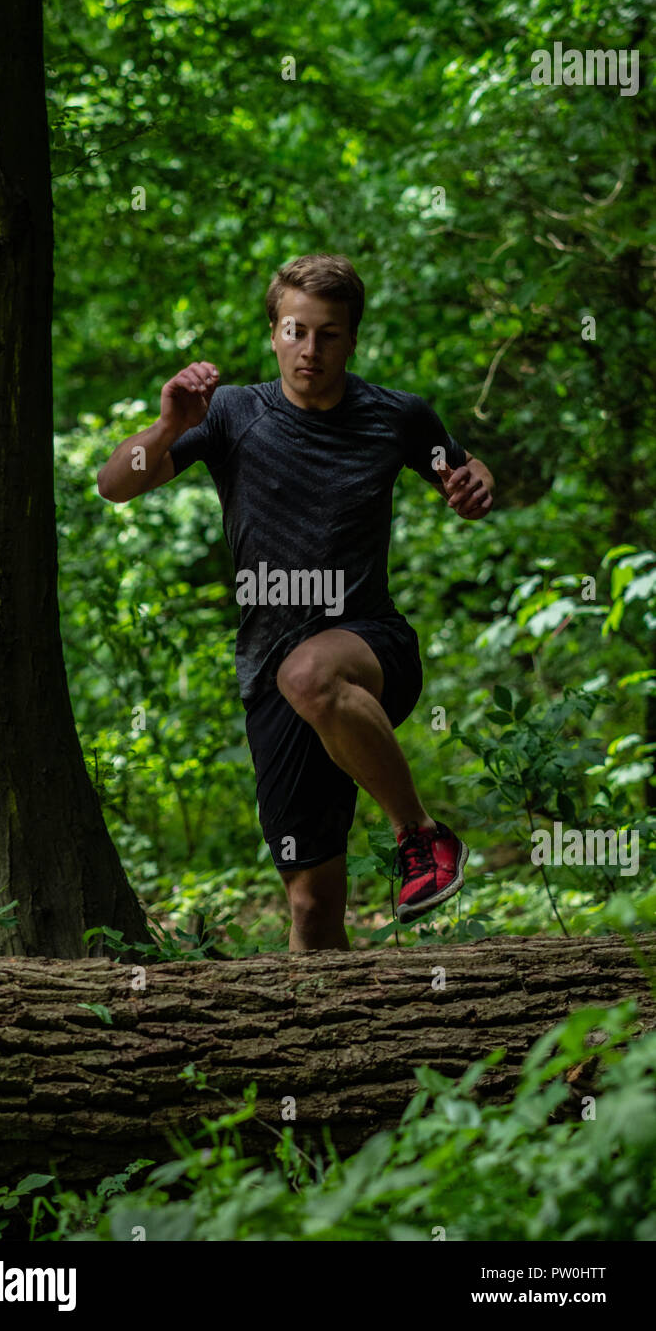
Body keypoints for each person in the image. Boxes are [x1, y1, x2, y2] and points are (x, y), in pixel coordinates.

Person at [98, 253, 495, 953]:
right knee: (311, 907)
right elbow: (114, 484)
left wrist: (473, 480)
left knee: (310, 673)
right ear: (274, 332)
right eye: (295, 330)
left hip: (369, 646)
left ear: (351, 338)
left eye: (328, 334)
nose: (310, 350)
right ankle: (336, 1046)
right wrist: (166, 427)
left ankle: (421, 837)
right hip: (269, 669)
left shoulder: (396, 416)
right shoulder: (229, 413)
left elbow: (459, 473)